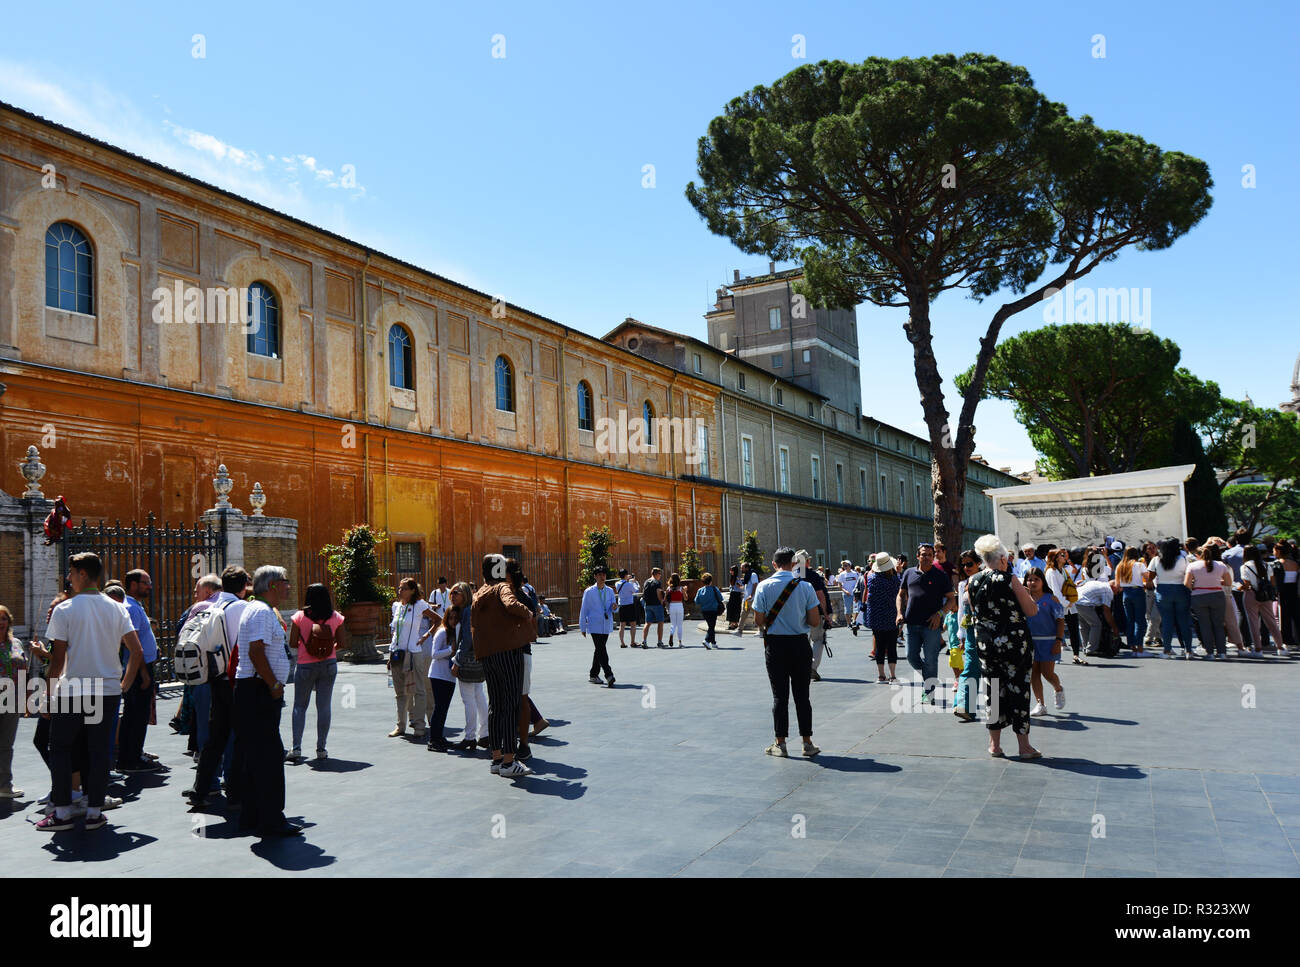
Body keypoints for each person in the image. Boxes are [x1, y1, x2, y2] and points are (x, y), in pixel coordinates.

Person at [37, 552, 144, 832]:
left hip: (72, 690)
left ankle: (62, 812)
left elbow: (58, 661)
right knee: (98, 751)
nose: (69, 578)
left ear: (83, 574)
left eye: (71, 573)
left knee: (61, 749)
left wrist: (47, 696)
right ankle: (95, 811)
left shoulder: (65, 610)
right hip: (107, 691)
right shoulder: (117, 608)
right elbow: (136, 651)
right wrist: (124, 685)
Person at [233, 565, 301, 837]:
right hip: (259, 691)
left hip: (253, 691)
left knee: (255, 758)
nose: (288, 586)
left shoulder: (257, 609)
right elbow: (256, 651)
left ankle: (252, 816)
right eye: (285, 582)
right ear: (272, 585)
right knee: (270, 758)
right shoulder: (261, 611)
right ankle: (271, 818)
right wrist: (273, 684)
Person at [964, 536, 1040, 758]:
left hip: (986, 643)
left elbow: (975, 610)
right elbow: (1031, 611)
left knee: (993, 690)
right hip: (1013, 643)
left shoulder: (973, 580)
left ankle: (994, 745)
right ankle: (1024, 746)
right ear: (1003, 559)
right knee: (1019, 689)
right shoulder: (1009, 579)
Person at [186, 566, 249, 807]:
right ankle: (235, 791)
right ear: (244, 586)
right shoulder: (242, 608)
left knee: (215, 738)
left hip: (214, 678)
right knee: (238, 737)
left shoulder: (209, 606)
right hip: (235, 680)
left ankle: (200, 790)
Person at [753, 547, 822, 758]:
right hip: (800, 645)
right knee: (803, 696)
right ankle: (807, 743)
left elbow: (759, 621)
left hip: (775, 646)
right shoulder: (806, 587)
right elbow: (814, 621)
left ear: (774, 564)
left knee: (779, 697)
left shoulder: (763, 587)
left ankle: (780, 743)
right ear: (794, 564)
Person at [471, 555, 535, 778]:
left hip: (487, 655)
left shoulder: (479, 592)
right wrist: (527, 613)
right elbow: (512, 604)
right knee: (511, 704)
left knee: (495, 705)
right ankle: (509, 761)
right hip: (508, 652)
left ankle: (496, 758)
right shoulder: (501, 588)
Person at [287, 583, 345, 762]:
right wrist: (327, 650)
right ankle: (321, 749)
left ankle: (296, 748)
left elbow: (292, 643)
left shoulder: (299, 617)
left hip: (305, 665)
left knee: (299, 706)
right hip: (328, 664)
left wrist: (309, 648)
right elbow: (342, 643)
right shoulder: (336, 617)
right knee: (324, 706)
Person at [896, 543, 956, 704]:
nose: (927, 557)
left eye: (930, 554)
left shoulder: (940, 575)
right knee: (911, 656)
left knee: (931, 660)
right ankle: (929, 676)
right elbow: (900, 595)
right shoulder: (909, 573)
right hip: (911, 624)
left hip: (932, 625)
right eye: (924, 554)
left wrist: (940, 614)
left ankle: (928, 692)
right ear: (918, 556)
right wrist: (900, 613)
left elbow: (951, 599)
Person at [117, 569, 160, 773]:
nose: (150, 586)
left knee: (134, 715)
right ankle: (131, 759)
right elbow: (131, 644)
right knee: (137, 715)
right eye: (146, 582)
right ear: (133, 584)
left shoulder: (135, 605)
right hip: (138, 670)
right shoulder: (131, 608)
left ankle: (129, 756)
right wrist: (143, 672)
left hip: (139, 667)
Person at [447, 582, 488, 751]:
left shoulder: (466, 612)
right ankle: (485, 734)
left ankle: (470, 736)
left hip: (467, 660)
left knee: (468, 699)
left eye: (456, 592)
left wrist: (457, 662)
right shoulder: (472, 609)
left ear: (464, 594)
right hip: (478, 658)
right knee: (479, 696)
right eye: (452, 593)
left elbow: (466, 639)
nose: (453, 595)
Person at [389, 578, 431, 739]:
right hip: (396, 653)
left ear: (412, 590)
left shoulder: (420, 605)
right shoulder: (396, 606)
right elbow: (394, 631)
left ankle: (420, 726)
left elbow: (437, 620)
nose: (400, 591)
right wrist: (390, 655)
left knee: (418, 690)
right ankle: (400, 726)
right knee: (400, 692)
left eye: (404, 588)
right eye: (399, 588)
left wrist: (425, 636)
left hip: (413, 653)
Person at [1023, 568, 1066, 715]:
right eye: (1029, 579)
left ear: (1043, 581)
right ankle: (1040, 704)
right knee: (1033, 673)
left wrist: (1058, 641)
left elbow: (1060, 621)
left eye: (1036, 579)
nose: (1033, 582)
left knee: (1047, 673)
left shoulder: (1051, 599)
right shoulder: (1023, 599)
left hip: (1048, 642)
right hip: (1030, 643)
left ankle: (1058, 689)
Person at [1185, 543, 1232, 660]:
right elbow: (1228, 582)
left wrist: (1197, 585)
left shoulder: (1192, 566)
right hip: (1217, 594)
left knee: (1204, 625)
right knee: (1218, 625)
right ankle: (1222, 652)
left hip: (1199, 596)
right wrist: (1215, 582)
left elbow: (1186, 583)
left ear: (1199, 555)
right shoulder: (1220, 565)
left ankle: (1209, 652)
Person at [0, 604, 27, 800]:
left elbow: (23, 670)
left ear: (9, 621)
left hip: (13, 699)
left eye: (3, 618)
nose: (0, 622)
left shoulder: (16, 643)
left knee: (6, 744)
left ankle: (4, 785)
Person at [1151, 537, 1195, 658]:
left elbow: (1150, 576)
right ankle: (1188, 650)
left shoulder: (1156, 560)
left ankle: (1167, 649)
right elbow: (1188, 575)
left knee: (1166, 622)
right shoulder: (1183, 559)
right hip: (1180, 590)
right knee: (1184, 622)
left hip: (1163, 591)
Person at [952, 550, 982, 721]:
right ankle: (964, 706)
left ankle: (1000, 708)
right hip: (970, 629)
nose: (966, 567)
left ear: (978, 562)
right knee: (970, 666)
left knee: (993, 671)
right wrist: (961, 634)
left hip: (990, 630)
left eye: (970, 563)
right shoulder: (962, 584)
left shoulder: (988, 579)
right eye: (963, 564)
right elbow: (962, 612)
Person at [1076, 552, 1122, 659]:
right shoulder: (1108, 591)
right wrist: (1114, 627)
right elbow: (1107, 611)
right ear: (1114, 587)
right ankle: (1091, 649)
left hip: (1076, 601)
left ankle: (1086, 647)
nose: (1117, 594)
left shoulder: (1101, 585)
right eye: (1118, 591)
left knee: (1083, 625)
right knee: (1096, 625)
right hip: (1084, 604)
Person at [1241, 545, 1285, 656]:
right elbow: (1272, 582)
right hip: (1265, 595)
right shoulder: (1266, 565)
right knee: (1271, 622)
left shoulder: (1245, 566)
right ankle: (1280, 647)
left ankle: (1258, 649)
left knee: (1254, 623)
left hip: (1251, 595)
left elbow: (1247, 585)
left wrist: (1240, 587)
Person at [795, 551, 832, 681]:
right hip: (814, 613)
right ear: (808, 561)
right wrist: (826, 615)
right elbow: (820, 597)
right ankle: (812, 666)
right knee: (818, 640)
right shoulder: (812, 575)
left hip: (798, 613)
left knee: (802, 642)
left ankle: (800, 667)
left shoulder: (794, 576)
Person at [865, 552, 901, 683]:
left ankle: (881, 675)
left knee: (879, 646)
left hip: (876, 617)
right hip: (892, 616)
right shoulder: (895, 580)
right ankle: (893, 675)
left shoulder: (871, 579)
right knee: (892, 646)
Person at [1045, 548, 1084, 664]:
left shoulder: (1064, 570)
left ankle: (1076, 655)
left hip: (1069, 605)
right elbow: (1055, 592)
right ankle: (1054, 655)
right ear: (1056, 558)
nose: (1064, 557)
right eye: (1062, 555)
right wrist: (1067, 602)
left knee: (1074, 629)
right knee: (1057, 632)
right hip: (1059, 605)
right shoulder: (1051, 572)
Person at [579, 567, 617, 686]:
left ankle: (593, 674)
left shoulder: (610, 591)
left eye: (604, 575)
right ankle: (609, 674)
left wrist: (615, 607)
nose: (602, 577)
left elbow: (613, 607)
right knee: (601, 649)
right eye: (600, 575)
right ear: (595, 576)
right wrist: (582, 627)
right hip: (594, 624)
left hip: (605, 624)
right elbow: (583, 609)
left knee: (599, 650)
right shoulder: (589, 591)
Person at [425, 610, 456, 752]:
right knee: (439, 708)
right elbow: (434, 654)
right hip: (438, 675)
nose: (453, 621)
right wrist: (450, 650)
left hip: (449, 676)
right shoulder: (442, 632)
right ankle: (433, 740)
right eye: (451, 618)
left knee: (444, 708)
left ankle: (439, 736)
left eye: (456, 618)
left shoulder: (455, 632)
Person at [1115, 547, 1149, 655]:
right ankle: (1140, 647)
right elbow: (1148, 578)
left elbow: (1117, 585)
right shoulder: (1139, 565)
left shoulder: (1120, 566)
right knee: (1140, 620)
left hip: (1126, 593)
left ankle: (1132, 645)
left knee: (1130, 620)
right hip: (1137, 591)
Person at [1274, 542, 1300, 650]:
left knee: (1284, 617)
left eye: (1274, 550)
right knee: (1297, 617)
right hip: (1295, 591)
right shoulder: (1296, 563)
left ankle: (1287, 641)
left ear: (1279, 551)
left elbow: (1275, 581)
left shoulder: (1277, 564)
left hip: (1283, 592)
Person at [694, 573, 725, 649]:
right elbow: (721, 598)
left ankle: (713, 643)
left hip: (704, 611)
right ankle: (706, 640)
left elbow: (696, 601)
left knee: (711, 626)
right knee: (711, 627)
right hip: (713, 610)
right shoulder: (714, 589)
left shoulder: (700, 590)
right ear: (711, 581)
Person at [640, 567, 666, 648]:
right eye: (660, 574)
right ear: (656, 574)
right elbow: (658, 592)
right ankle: (659, 642)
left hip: (648, 604)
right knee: (660, 622)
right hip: (656, 604)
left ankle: (644, 641)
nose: (660, 576)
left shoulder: (646, 581)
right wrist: (661, 601)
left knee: (647, 623)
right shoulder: (657, 582)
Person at [615, 569, 640, 647]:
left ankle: (622, 643)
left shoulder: (617, 583)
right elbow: (636, 590)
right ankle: (632, 642)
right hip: (629, 605)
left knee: (622, 625)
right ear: (626, 575)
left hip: (621, 605)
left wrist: (627, 579)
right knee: (633, 624)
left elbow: (623, 583)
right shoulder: (629, 584)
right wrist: (634, 582)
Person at [665, 572, 687, 648]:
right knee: (680, 625)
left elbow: (666, 599)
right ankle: (680, 642)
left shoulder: (668, 588)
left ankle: (671, 634)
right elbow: (686, 598)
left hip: (672, 606)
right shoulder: (681, 588)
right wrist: (685, 591)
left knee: (673, 624)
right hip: (679, 605)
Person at [725, 565, 744, 630]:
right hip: (732, 594)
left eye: (732, 570)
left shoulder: (737, 579)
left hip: (736, 595)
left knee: (735, 609)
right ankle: (732, 623)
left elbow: (741, 587)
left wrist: (739, 586)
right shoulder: (732, 578)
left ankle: (734, 624)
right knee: (731, 609)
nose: (730, 571)